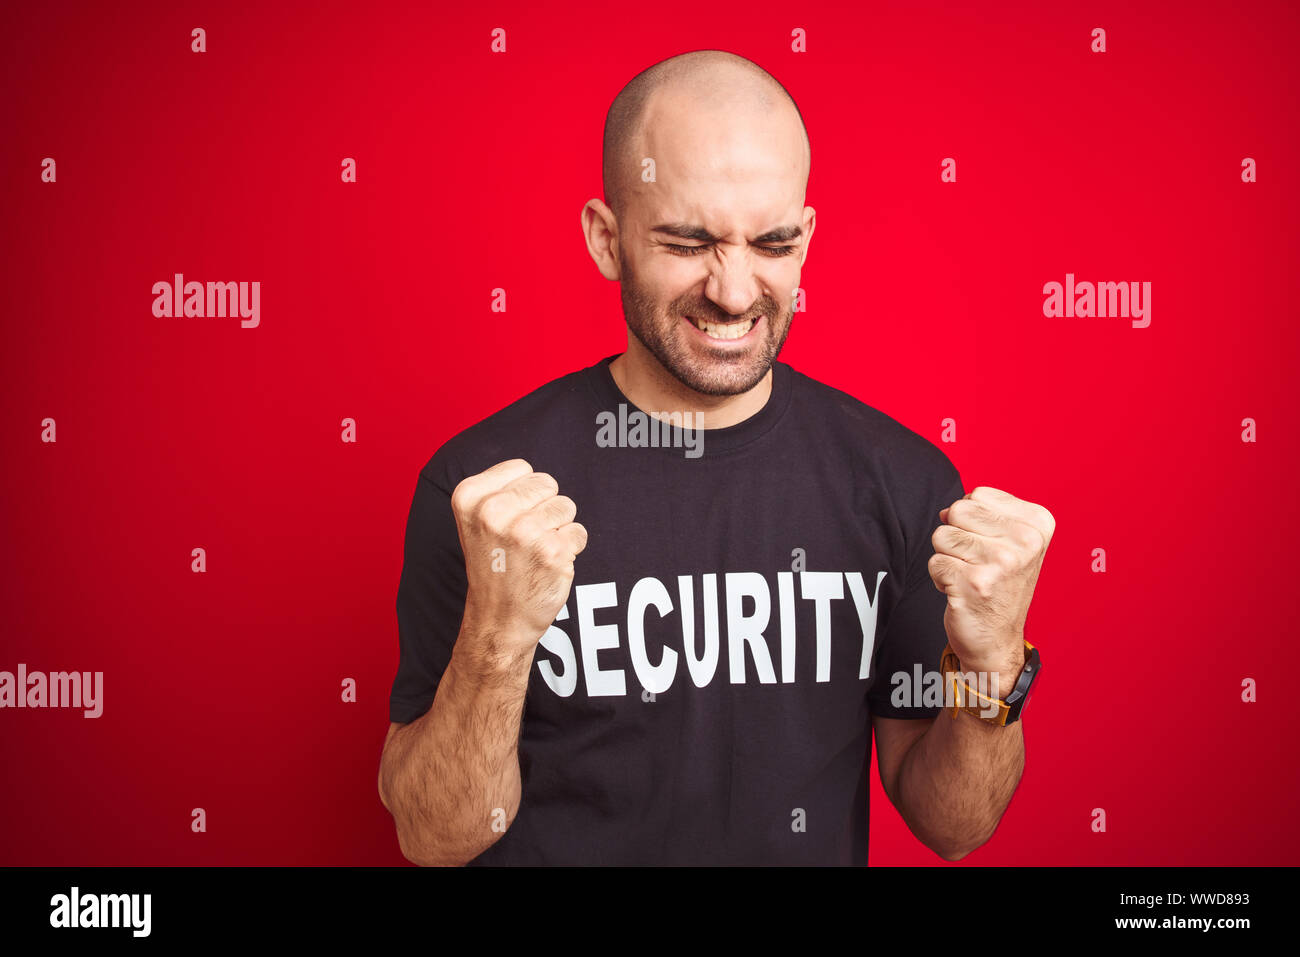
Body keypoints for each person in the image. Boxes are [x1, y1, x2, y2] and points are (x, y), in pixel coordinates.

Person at [377, 49, 1055, 866]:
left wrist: (992, 668)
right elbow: (436, 835)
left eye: (770, 243)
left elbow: (955, 826)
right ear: (606, 239)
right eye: (688, 241)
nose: (734, 291)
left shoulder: (901, 483)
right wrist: (496, 638)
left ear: (805, 240)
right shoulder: (485, 492)